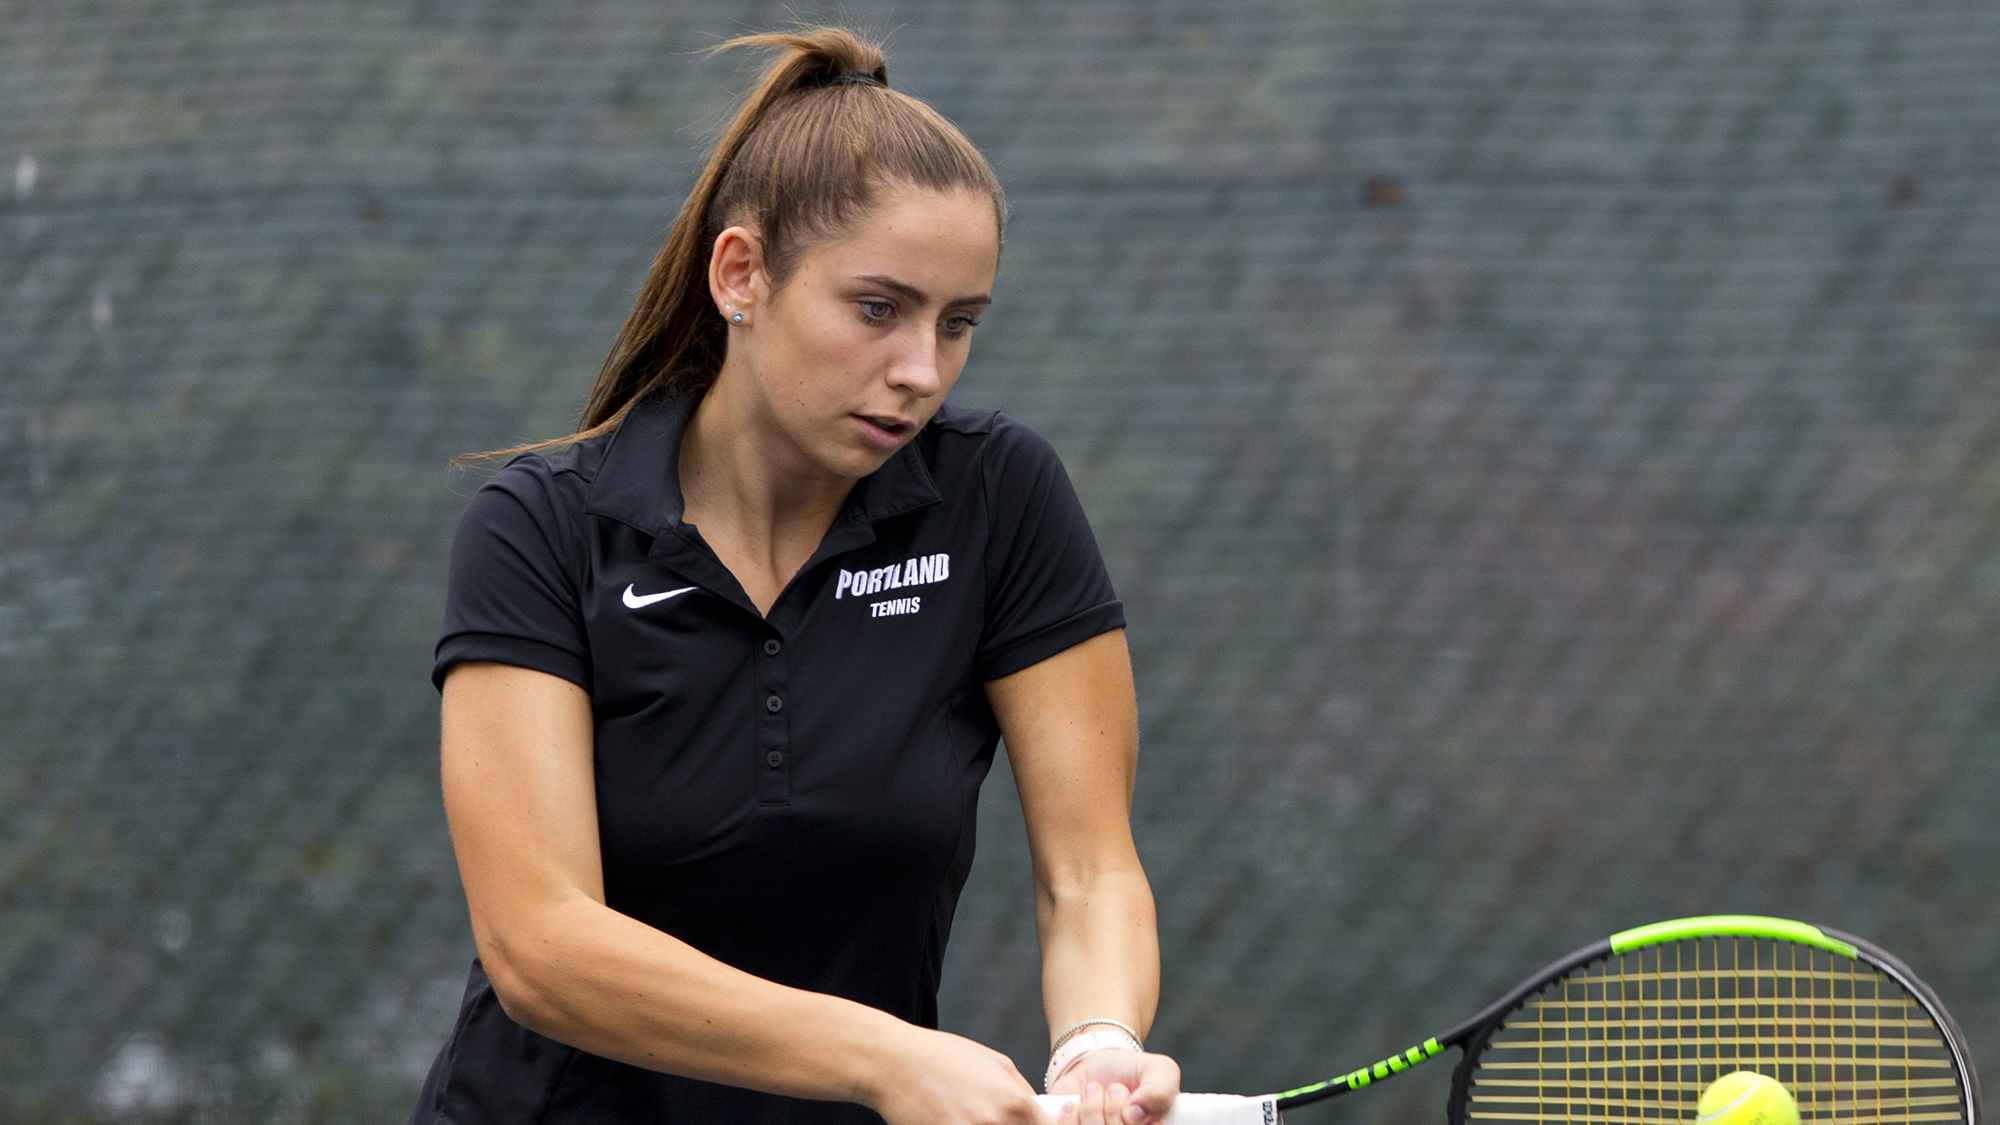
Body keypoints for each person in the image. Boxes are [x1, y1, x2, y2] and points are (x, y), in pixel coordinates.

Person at [411, 26, 1180, 1125]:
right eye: (877, 309)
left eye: (957, 323)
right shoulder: (538, 530)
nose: (919, 369)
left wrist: (1098, 1043)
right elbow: (541, 945)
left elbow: (1090, 874)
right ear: (741, 276)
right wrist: (883, 1060)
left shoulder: (1000, 498)